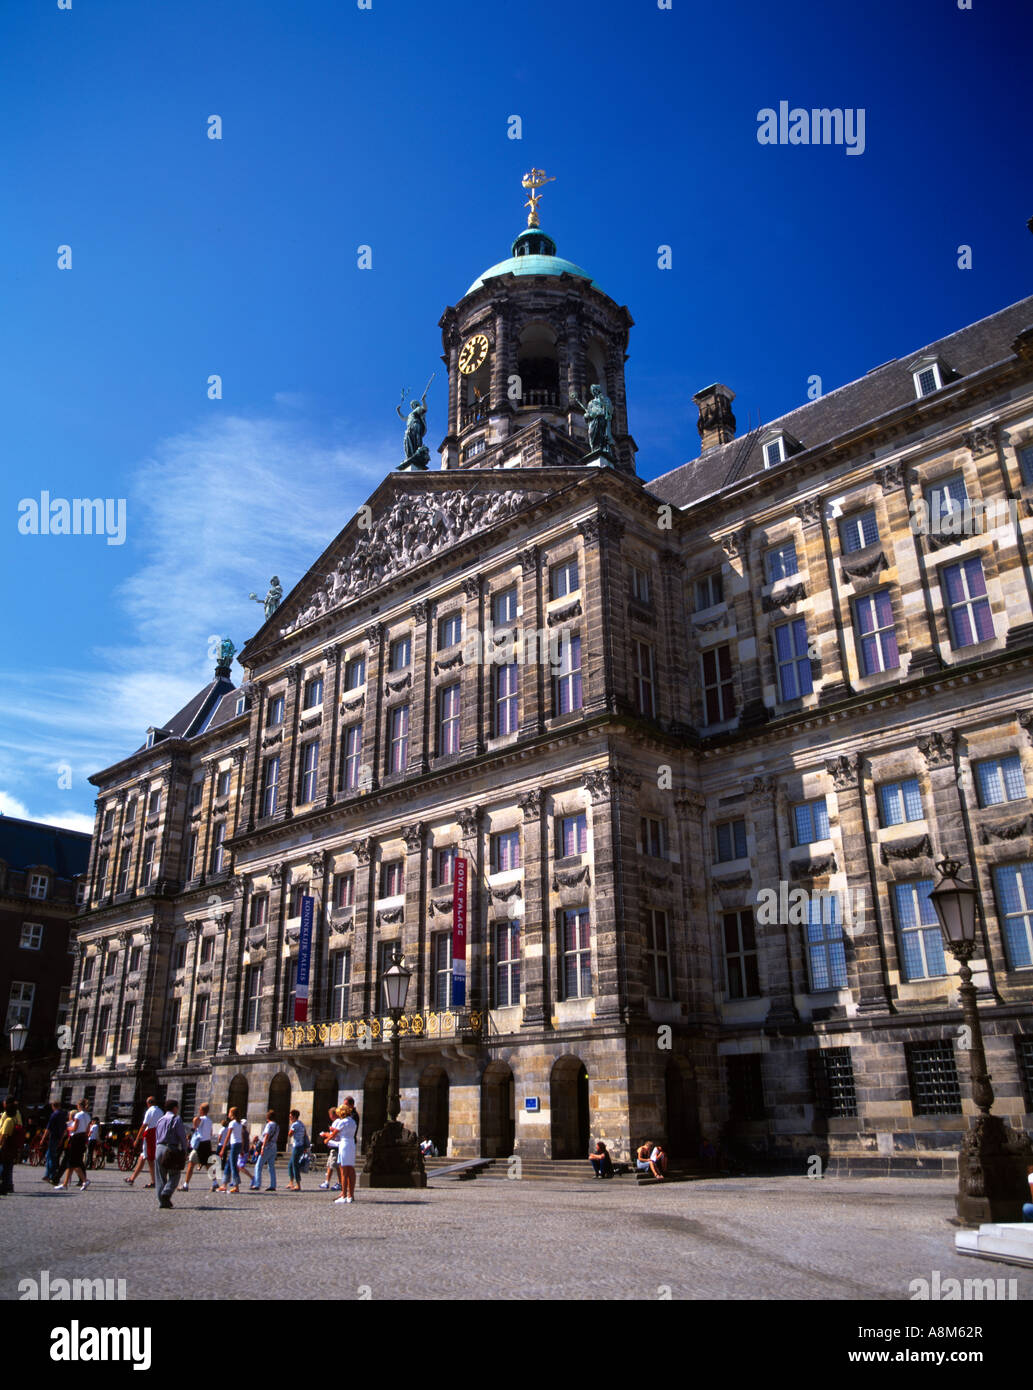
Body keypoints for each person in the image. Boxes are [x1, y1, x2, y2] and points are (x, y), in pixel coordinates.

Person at [153, 1100, 188, 1210]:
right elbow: (182, 1136)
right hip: (170, 1148)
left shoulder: (160, 1120)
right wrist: (184, 1149)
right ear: (174, 1108)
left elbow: (157, 1136)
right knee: (175, 1174)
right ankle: (166, 1193)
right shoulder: (176, 1119)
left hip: (158, 1148)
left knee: (160, 1176)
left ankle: (162, 1201)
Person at [125, 1095, 162, 1187]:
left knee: (150, 1159)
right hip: (157, 1135)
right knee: (142, 1157)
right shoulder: (160, 1111)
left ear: (148, 1103)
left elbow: (144, 1125)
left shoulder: (150, 1111)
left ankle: (154, 1181)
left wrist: (137, 1139)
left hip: (149, 1135)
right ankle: (132, 1178)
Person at [56, 1100, 91, 1192]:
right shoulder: (88, 1116)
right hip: (83, 1138)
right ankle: (65, 1184)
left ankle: (85, 1180)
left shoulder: (78, 1115)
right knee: (72, 1163)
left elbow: (74, 1128)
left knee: (73, 1162)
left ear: (78, 1106)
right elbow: (87, 1130)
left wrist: (67, 1128)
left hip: (75, 1138)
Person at [180, 1103, 213, 1193]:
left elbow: (195, 1119)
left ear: (202, 1110)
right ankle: (215, 1183)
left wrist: (194, 1127)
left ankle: (185, 1185)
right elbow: (210, 1132)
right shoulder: (209, 1120)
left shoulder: (201, 1119)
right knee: (207, 1164)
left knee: (191, 1163)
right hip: (207, 1143)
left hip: (200, 1144)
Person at [333, 1098, 359, 1205]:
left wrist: (328, 1136)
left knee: (345, 1170)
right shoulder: (353, 1118)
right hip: (349, 1143)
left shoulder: (350, 1117)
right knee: (348, 1169)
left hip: (345, 1144)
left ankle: (346, 1194)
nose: (344, 1107)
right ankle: (348, 1194)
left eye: (346, 1105)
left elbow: (336, 1133)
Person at [0, 1098, 24, 1195]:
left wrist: (0, 1146)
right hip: (12, 1147)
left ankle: (3, 1186)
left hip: (5, 1147)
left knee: (3, 1167)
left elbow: (4, 1135)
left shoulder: (8, 1120)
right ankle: (8, 1185)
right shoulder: (15, 1118)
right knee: (8, 1166)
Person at [216, 1107, 244, 1193]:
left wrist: (222, 1149)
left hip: (234, 1145)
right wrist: (242, 1149)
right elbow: (241, 1137)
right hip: (238, 1145)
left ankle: (236, 1186)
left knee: (232, 1165)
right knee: (228, 1165)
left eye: (229, 1112)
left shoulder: (232, 1123)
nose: (228, 1114)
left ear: (232, 1114)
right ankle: (224, 1185)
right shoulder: (239, 1124)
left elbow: (227, 1137)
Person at [251, 1110, 279, 1192]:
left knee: (258, 1165)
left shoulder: (269, 1125)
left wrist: (262, 1147)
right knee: (271, 1167)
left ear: (267, 1118)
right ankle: (273, 1185)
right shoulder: (277, 1126)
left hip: (267, 1147)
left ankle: (257, 1184)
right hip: (274, 1146)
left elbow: (266, 1136)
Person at [42, 1101, 66, 1184]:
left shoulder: (54, 1115)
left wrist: (43, 1138)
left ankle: (51, 1175)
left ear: (53, 1106)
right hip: (59, 1137)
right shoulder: (63, 1115)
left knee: (51, 1156)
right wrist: (61, 1139)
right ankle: (47, 1174)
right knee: (50, 1155)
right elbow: (64, 1129)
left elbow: (48, 1127)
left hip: (53, 1136)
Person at [318, 1106, 341, 1191]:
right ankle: (328, 1182)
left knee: (333, 1165)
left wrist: (325, 1135)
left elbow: (333, 1136)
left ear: (332, 1114)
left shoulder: (336, 1122)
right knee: (331, 1165)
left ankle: (337, 1183)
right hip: (336, 1146)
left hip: (335, 1146)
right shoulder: (340, 1121)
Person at [286, 1109, 307, 1191]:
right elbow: (304, 1134)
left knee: (295, 1165)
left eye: (290, 1116)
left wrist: (291, 1129)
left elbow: (290, 1134)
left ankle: (298, 1184)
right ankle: (291, 1182)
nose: (290, 1118)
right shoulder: (301, 1124)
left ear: (294, 1116)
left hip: (297, 1146)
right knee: (290, 1164)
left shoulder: (294, 1124)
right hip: (301, 1145)